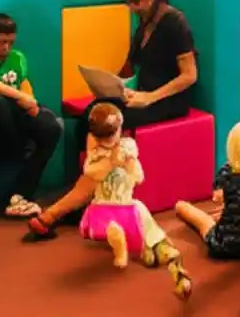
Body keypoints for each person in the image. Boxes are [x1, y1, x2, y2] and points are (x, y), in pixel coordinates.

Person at [27, 0, 198, 239]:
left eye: (137, 1)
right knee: (90, 116)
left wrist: (148, 97)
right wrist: (107, 86)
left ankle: (68, 205)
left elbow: (189, 75)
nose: (132, 7)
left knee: (106, 125)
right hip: (140, 94)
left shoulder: (174, 22)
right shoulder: (143, 25)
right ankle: (80, 189)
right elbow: (129, 68)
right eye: (128, 1)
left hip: (166, 100)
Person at [77, 103, 192, 300]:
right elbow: (93, 173)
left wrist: (128, 163)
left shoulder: (127, 148)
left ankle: (171, 265)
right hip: (115, 207)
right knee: (127, 229)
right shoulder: (96, 156)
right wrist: (112, 161)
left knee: (125, 231)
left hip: (120, 207)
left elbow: (138, 176)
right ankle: (128, 248)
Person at [0, 13, 63, 218]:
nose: (6, 48)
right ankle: (21, 147)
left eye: (10, 43)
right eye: (1, 43)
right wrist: (22, 98)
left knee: (51, 126)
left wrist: (30, 100)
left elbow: (24, 84)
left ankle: (20, 196)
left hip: (17, 114)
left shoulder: (17, 57)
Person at [175, 120, 240, 259]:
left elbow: (217, 198)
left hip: (224, 244)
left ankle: (182, 207)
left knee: (199, 218)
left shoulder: (226, 175)